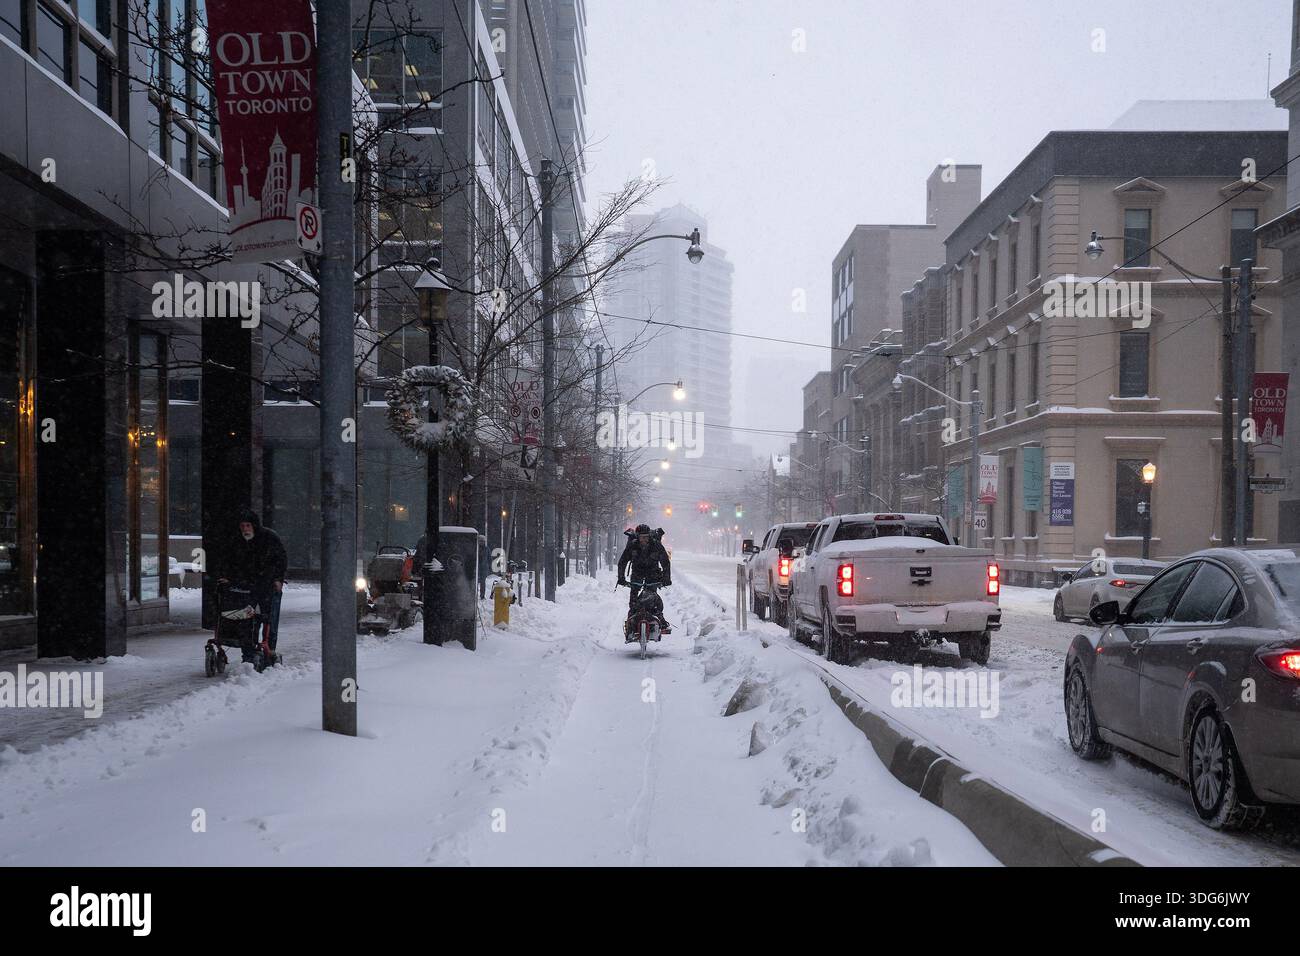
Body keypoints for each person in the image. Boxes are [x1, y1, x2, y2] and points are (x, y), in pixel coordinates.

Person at [220, 509, 288, 654]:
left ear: (254, 526)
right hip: (246, 585)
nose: (245, 529)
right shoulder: (236, 540)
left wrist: (278, 579)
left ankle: (270, 648)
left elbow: (280, 559)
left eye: (248, 526)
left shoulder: (269, 538)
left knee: (269, 618)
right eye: (243, 526)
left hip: (267, 583)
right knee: (248, 618)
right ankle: (249, 650)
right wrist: (228, 576)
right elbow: (229, 560)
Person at [617, 524, 672, 633]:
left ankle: (656, 620)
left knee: (651, 599)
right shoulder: (632, 546)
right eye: (642, 537)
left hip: (652, 573)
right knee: (633, 600)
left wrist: (666, 578)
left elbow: (665, 562)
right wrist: (621, 578)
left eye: (646, 537)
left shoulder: (656, 545)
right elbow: (622, 562)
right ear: (637, 537)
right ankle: (631, 624)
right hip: (637, 572)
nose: (644, 539)